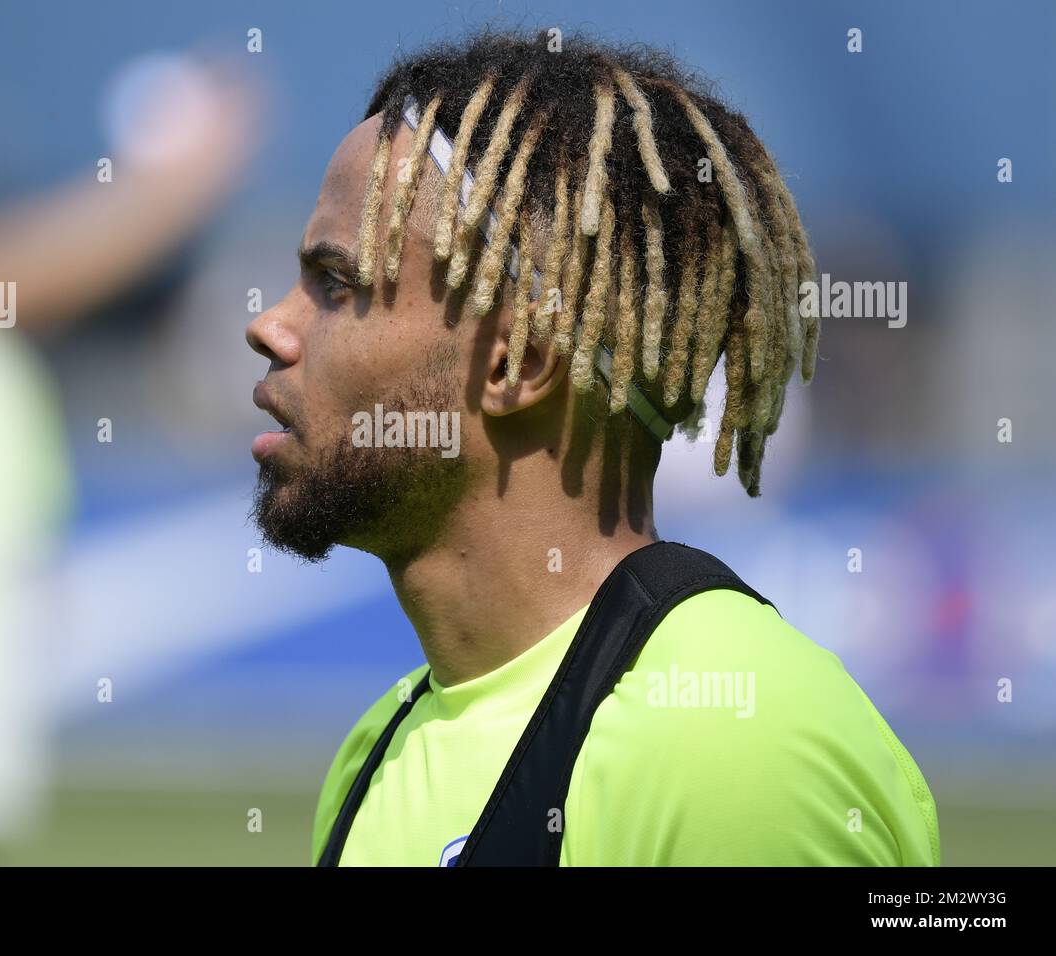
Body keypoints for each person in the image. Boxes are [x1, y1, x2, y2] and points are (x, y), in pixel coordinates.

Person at [245, 31, 939, 866]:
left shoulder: (733, 744)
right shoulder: (376, 750)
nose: (270, 325)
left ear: (517, 362)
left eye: (336, 282)